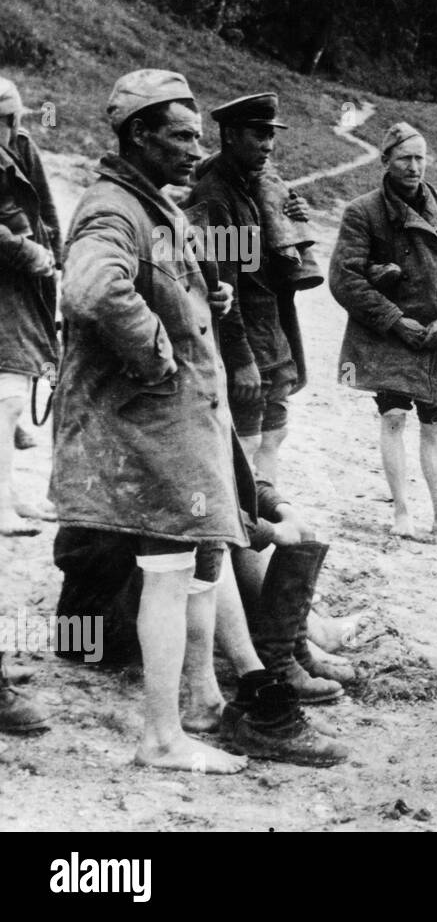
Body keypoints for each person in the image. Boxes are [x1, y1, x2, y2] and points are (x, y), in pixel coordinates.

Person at [50, 69, 247, 774]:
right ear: (139, 134)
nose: (198, 149)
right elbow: (92, 287)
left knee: (191, 562)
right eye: (182, 136)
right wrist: (158, 354)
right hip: (146, 423)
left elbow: (145, 282)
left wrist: (203, 298)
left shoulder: (150, 205)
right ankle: (162, 737)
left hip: (169, 423)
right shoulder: (114, 208)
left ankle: (198, 703)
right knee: (168, 570)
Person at [54, 437, 350, 765]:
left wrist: (285, 511)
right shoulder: (148, 419)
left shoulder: (190, 408)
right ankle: (260, 674)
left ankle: (267, 666)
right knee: (209, 538)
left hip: (115, 611)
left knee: (220, 533)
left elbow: (238, 474)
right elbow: (195, 507)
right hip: (84, 633)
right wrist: (272, 532)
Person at [328, 122, 437, 540]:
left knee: (436, 425)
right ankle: (401, 514)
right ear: (386, 161)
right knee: (394, 417)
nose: (414, 167)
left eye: (420, 158)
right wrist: (395, 320)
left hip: (436, 336)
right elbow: (345, 279)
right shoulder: (363, 212)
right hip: (388, 336)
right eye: (405, 159)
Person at [185, 92, 312, 485]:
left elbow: (260, 267)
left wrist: (289, 223)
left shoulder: (253, 188)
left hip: (270, 340)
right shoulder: (217, 197)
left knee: (273, 435)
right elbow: (223, 287)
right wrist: (240, 359)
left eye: (271, 135)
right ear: (230, 136)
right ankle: (245, 541)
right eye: (259, 135)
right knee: (244, 444)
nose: (268, 145)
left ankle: (264, 525)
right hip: (246, 347)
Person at [0, 76, 59, 536]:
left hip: (24, 287)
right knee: (7, 398)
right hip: (11, 277)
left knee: (14, 393)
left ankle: (10, 495)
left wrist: (58, 253)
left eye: (11, 119)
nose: (9, 129)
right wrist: (29, 253)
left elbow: (45, 209)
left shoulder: (22, 144)